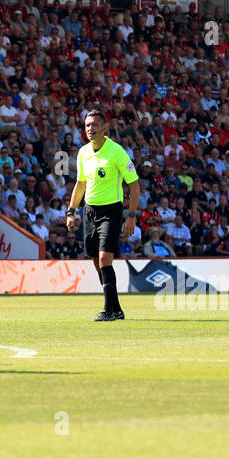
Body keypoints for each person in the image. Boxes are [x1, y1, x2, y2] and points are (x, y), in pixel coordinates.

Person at [66, 109, 140, 321]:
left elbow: (134, 185)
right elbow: (80, 185)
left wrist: (131, 215)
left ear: (104, 128)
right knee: (96, 261)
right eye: (87, 125)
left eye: (94, 125)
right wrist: (71, 211)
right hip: (89, 211)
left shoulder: (117, 152)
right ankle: (116, 309)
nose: (90, 129)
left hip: (111, 210)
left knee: (105, 257)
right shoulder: (83, 152)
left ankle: (109, 310)